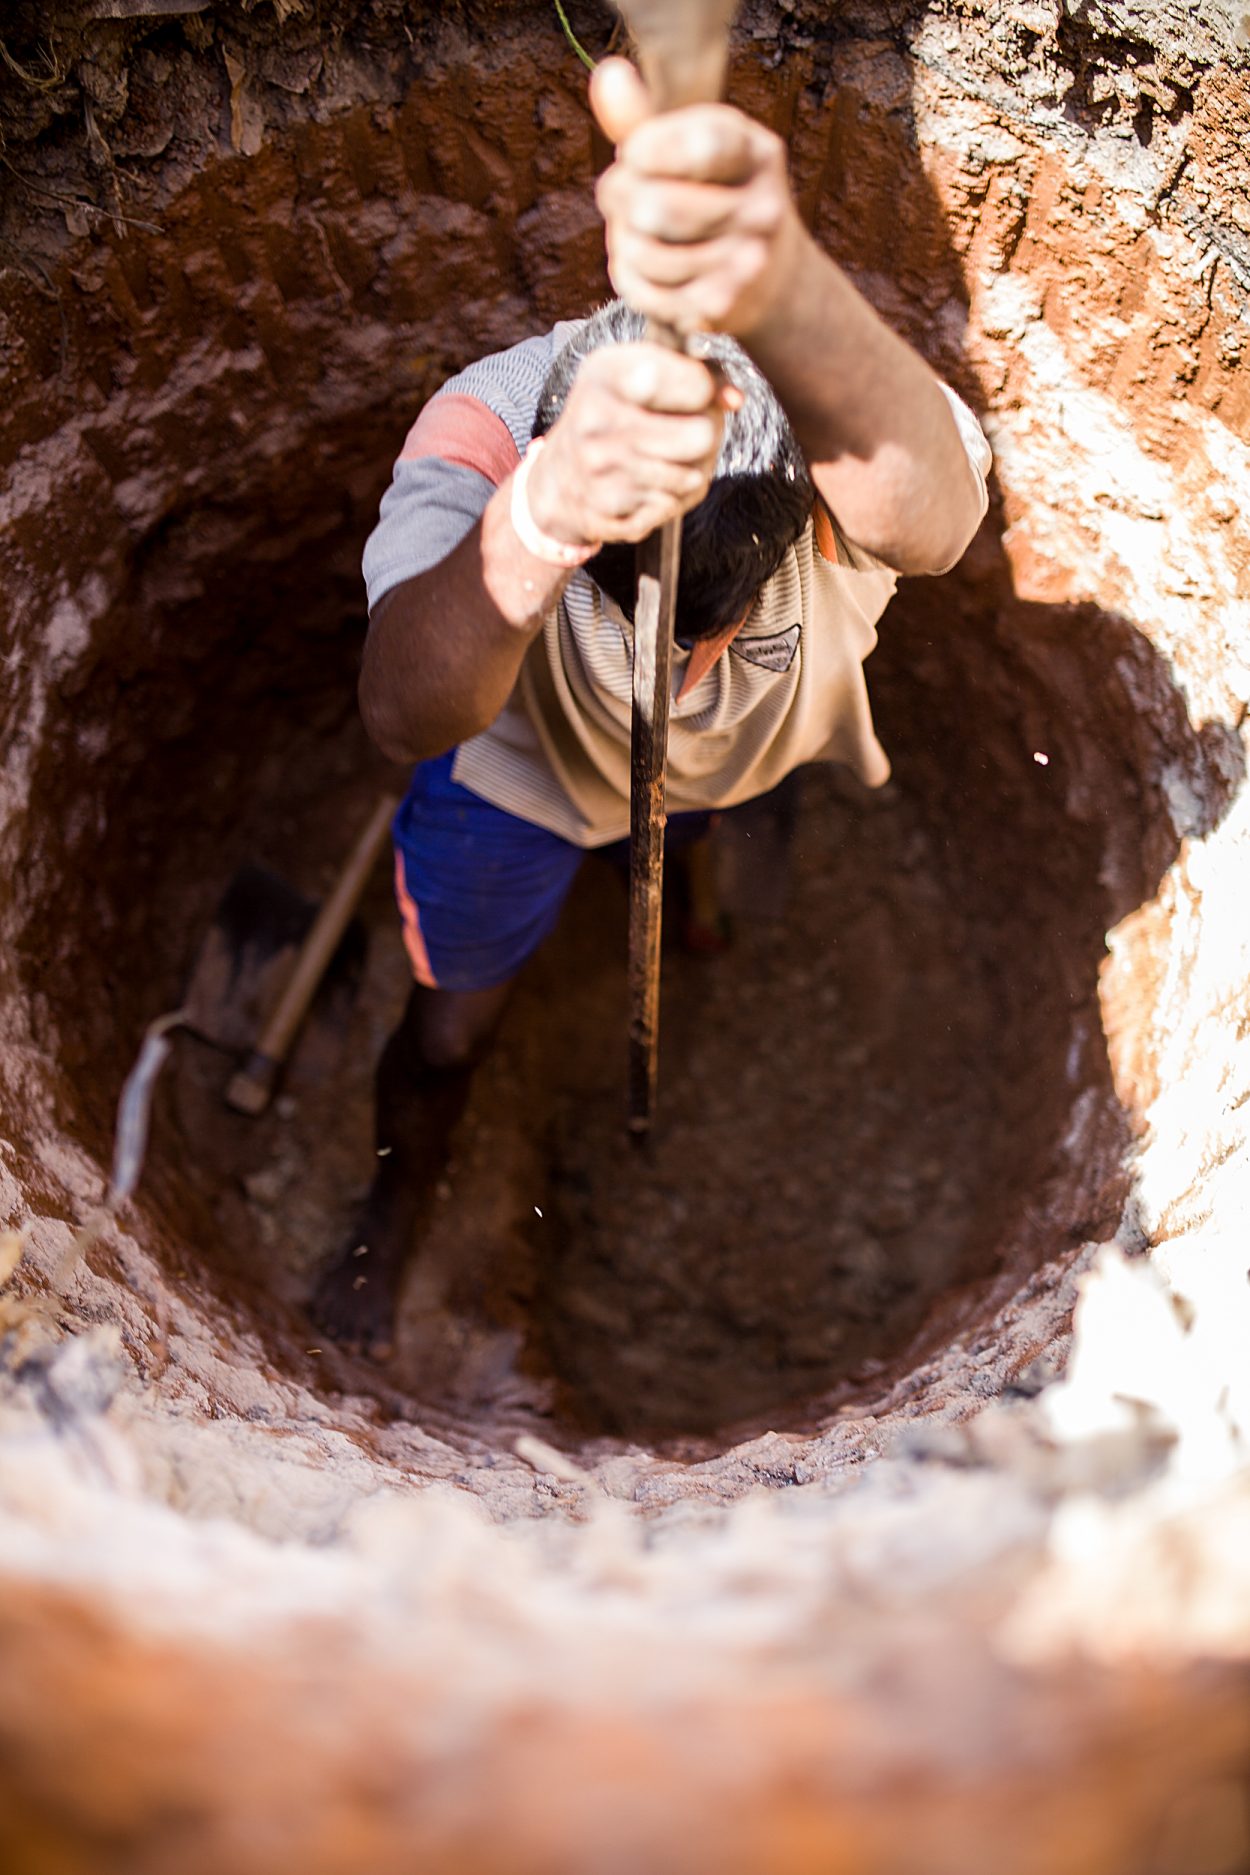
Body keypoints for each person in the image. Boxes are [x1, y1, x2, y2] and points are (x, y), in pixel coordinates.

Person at [310, 56, 991, 1357]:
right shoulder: (492, 433)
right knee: (446, 1031)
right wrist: (546, 515)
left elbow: (941, 521)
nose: (678, 678)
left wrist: (783, 281)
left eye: (711, 641)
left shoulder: (828, 434)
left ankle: (683, 882)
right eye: (650, 635)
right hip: (511, 778)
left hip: (733, 764)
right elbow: (401, 709)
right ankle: (392, 1208)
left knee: (692, 819)